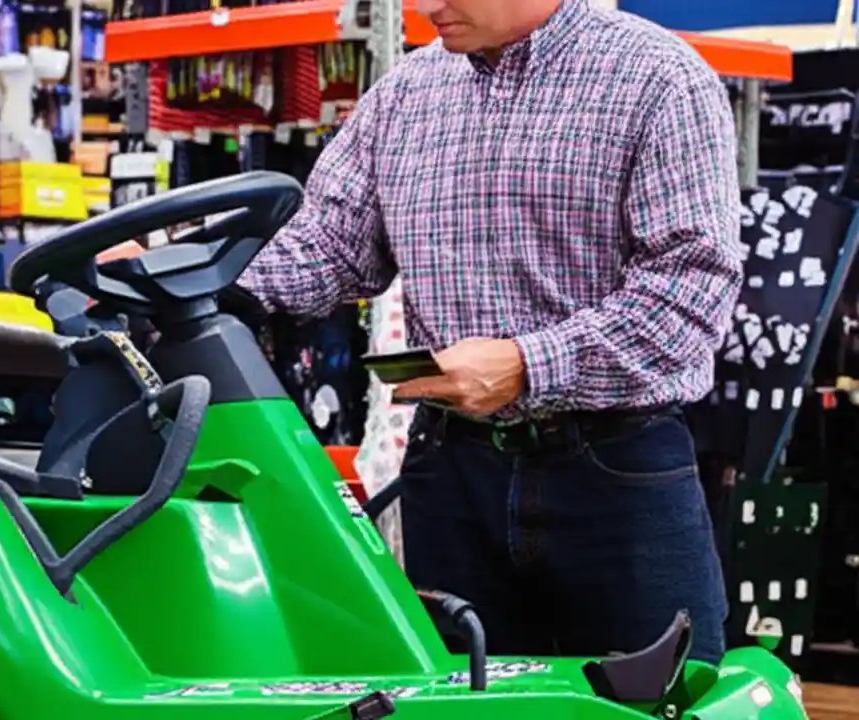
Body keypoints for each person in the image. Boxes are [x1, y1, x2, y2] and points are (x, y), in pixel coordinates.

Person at [238, 0, 741, 662]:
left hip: (616, 472)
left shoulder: (656, 78)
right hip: (452, 474)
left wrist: (530, 365)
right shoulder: (405, 96)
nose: (426, 7)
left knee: (657, 701)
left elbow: (689, 294)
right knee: (460, 701)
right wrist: (187, 269)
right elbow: (326, 249)